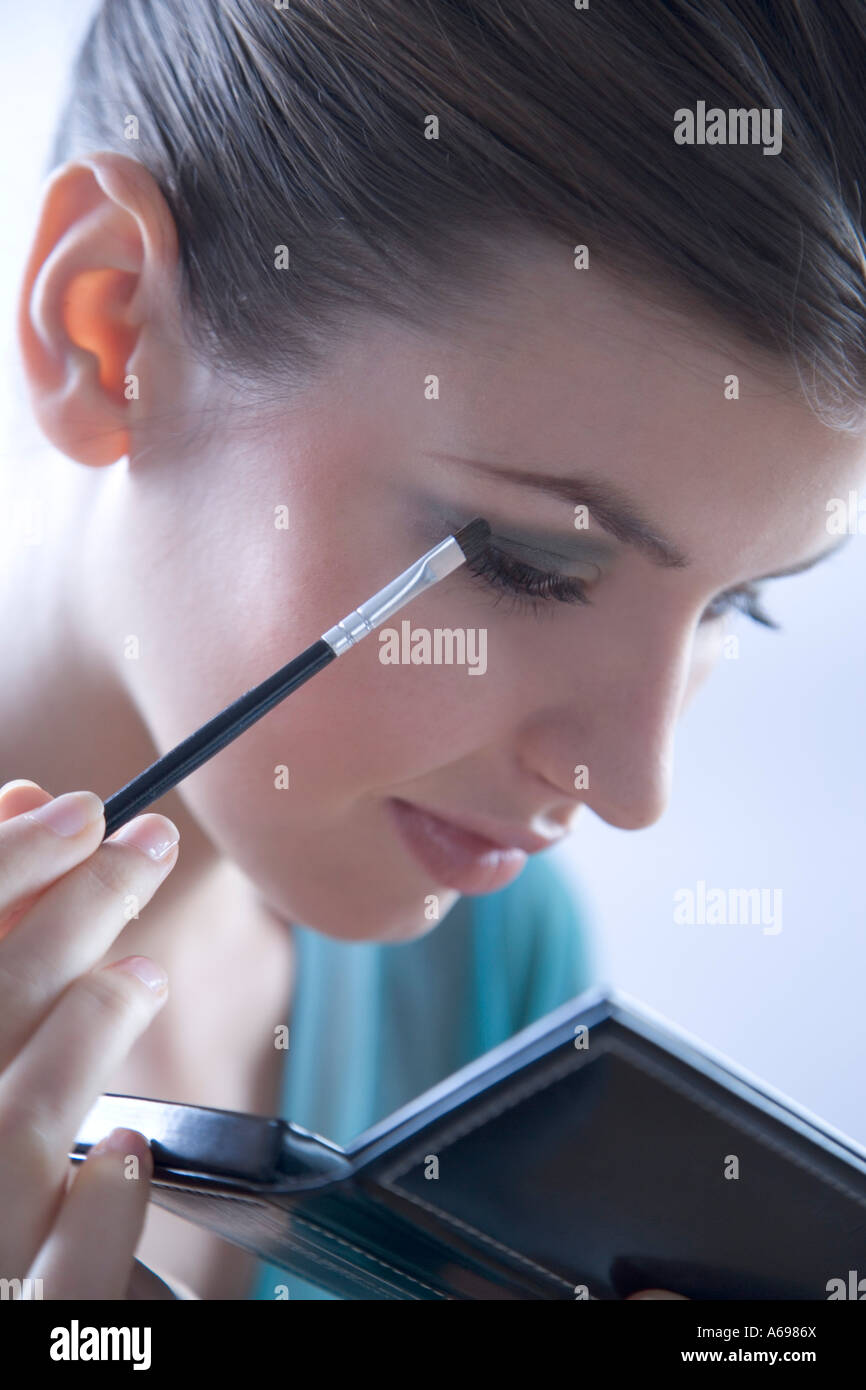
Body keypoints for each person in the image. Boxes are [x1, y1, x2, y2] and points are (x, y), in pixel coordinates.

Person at [2, 0, 864, 1301]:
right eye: (529, 561)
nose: (632, 791)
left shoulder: (499, 984)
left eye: (738, 604)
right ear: (108, 329)